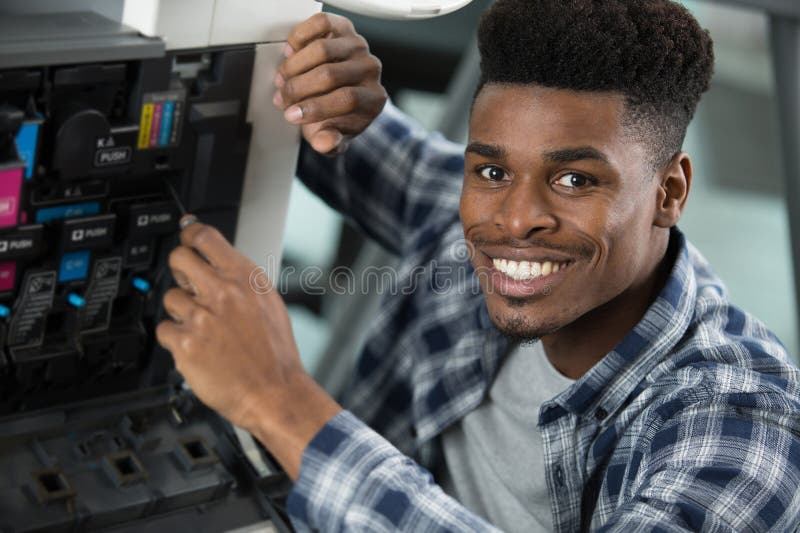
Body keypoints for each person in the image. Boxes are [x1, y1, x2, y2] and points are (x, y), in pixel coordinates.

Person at [155, 1, 800, 531]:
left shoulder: (743, 429)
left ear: (670, 193)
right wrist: (323, 81)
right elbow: (369, 145)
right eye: (492, 169)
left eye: (574, 179)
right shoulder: (484, 221)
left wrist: (280, 400)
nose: (516, 219)